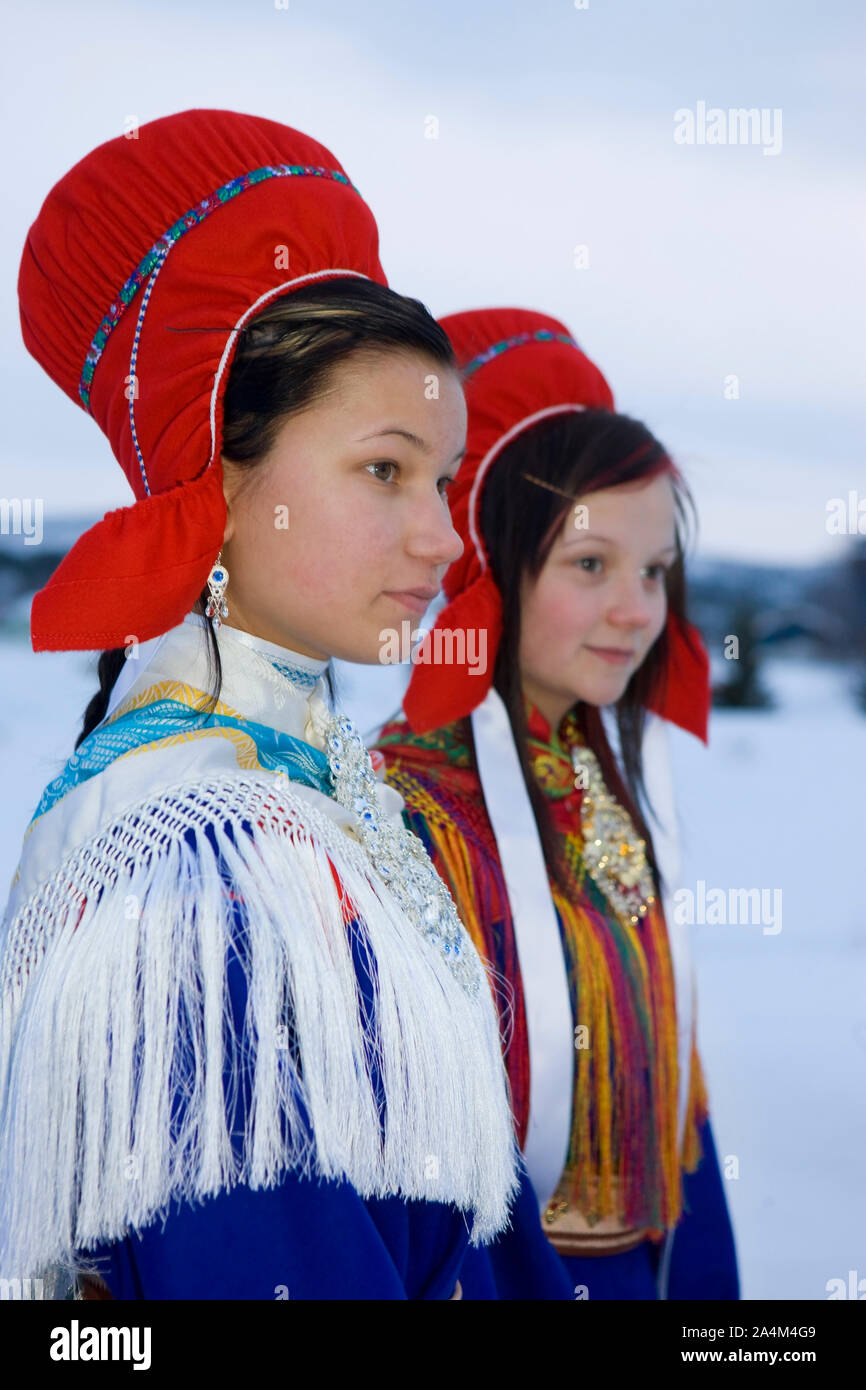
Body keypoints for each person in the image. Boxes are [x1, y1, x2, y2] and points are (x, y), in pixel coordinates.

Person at [0, 112, 520, 1301]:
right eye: (382, 471)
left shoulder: (305, 791)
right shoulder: (201, 871)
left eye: (441, 480)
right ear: (221, 480)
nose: (442, 536)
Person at [375, 306, 740, 1299]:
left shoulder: (605, 784)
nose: (638, 610)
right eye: (591, 565)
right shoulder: (412, 823)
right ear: (486, 566)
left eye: (655, 571)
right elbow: (427, 1178)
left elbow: (675, 1112)